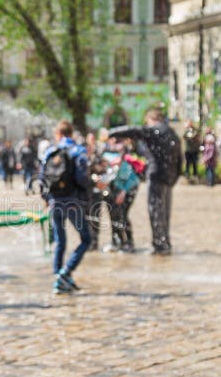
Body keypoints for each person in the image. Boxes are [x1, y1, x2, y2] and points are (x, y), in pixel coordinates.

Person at [109, 108, 182, 255]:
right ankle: (165, 242)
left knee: (155, 211)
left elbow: (134, 130)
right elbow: (180, 158)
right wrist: (175, 177)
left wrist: (111, 132)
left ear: (151, 120)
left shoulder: (153, 130)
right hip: (169, 177)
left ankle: (159, 246)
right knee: (165, 213)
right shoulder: (172, 133)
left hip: (155, 176)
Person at [41, 120, 92, 293]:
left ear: (58, 134)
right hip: (72, 202)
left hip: (54, 201)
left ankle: (59, 279)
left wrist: (46, 199)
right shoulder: (78, 151)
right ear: (71, 133)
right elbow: (82, 179)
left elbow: (42, 179)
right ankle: (65, 272)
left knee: (60, 242)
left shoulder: (50, 151)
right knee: (86, 239)